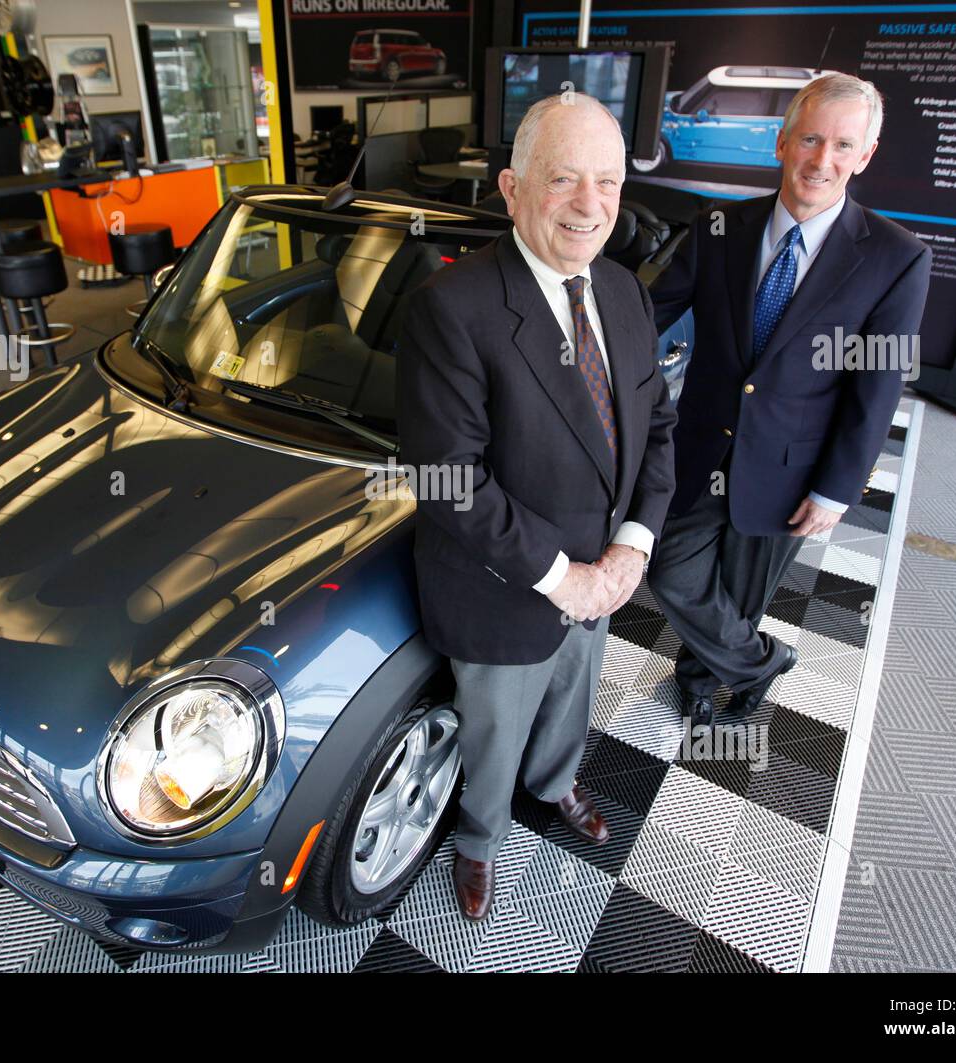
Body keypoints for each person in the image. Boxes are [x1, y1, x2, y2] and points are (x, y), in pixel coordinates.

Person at [397, 93, 677, 921]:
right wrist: (565, 579)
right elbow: (449, 475)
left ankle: (555, 783)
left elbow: (656, 425)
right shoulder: (453, 308)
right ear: (512, 189)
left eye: (609, 182)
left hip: (604, 573)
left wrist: (631, 547)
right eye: (564, 180)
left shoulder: (625, 292)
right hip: (506, 584)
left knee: (573, 698)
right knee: (493, 724)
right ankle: (479, 837)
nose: (592, 206)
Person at [647, 73, 931, 728]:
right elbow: (650, 309)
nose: (821, 160)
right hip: (700, 449)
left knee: (742, 592)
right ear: (782, 142)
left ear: (864, 155)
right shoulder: (720, 225)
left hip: (792, 469)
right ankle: (763, 663)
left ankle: (702, 676)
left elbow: (876, 387)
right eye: (809, 138)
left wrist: (837, 488)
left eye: (841, 145)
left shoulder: (895, 258)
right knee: (672, 572)